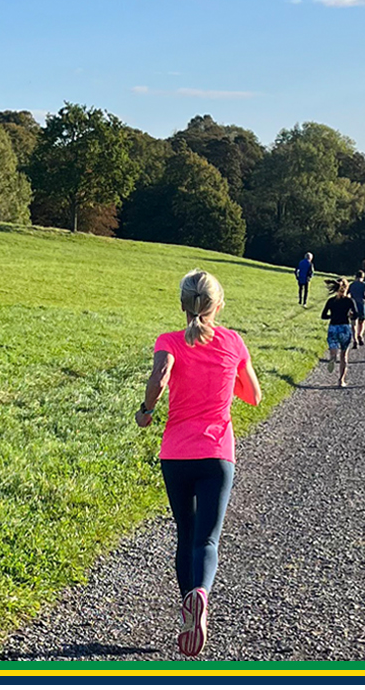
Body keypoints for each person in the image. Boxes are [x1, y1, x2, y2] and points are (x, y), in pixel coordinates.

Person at [137, 269, 263, 658]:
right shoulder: (233, 342)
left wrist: (146, 410)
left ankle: (188, 609)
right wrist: (226, 379)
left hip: (176, 454)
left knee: (185, 535)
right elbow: (254, 396)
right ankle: (201, 597)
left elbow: (160, 375)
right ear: (218, 305)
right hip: (217, 454)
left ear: (181, 305)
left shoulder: (169, 341)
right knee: (207, 539)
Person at [320, 278, 356, 387]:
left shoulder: (331, 301)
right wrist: (350, 315)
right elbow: (356, 315)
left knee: (333, 348)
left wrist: (333, 315)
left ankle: (332, 357)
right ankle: (341, 380)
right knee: (344, 356)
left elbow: (323, 316)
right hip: (345, 327)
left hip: (333, 327)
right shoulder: (349, 301)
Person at [346, 270, 365, 347]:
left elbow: (347, 294)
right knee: (362, 322)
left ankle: (355, 339)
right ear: (363, 277)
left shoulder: (352, 285)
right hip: (362, 304)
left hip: (353, 304)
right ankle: (360, 334)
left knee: (354, 323)